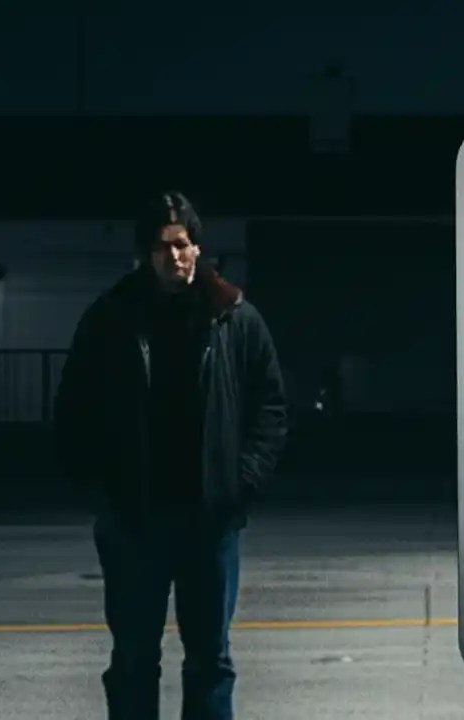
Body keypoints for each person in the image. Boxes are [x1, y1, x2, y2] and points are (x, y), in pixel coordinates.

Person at [54, 191, 288, 719]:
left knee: (210, 659)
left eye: (182, 244)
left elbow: (269, 410)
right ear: (144, 254)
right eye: (162, 248)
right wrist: (103, 494)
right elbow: (74, 410)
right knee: (135, 658)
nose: (175, 256)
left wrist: (239, 484)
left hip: (210, 519)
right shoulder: (111, 318)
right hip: (135, 520)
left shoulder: (234, 317)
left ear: (198, 247)